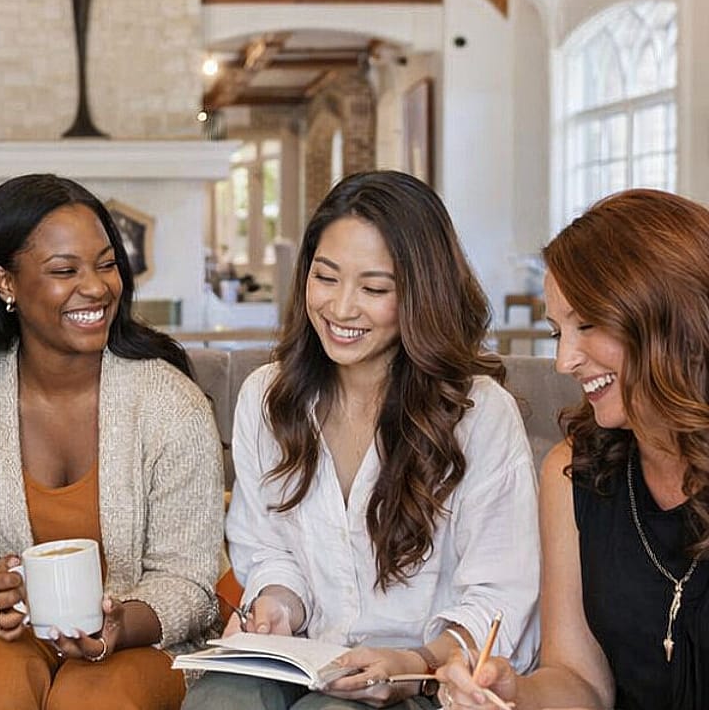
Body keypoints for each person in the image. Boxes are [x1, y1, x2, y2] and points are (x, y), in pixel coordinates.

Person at [183, 170, 539, 710]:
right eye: (325, 278)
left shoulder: (479, 412)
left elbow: (499, 597)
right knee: (218, 702)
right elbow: (267, 548)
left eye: (374, 289)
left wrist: (413, 664)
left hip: (425, 675)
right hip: (304, 658)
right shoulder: (267, 397)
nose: (341, 308)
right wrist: (279, 602)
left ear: (422, 293)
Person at [0, 173, 223, 710]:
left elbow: (190, 583)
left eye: (107, 264)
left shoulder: (170, 404)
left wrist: (117, 626)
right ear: (4, 282)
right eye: (65, 270)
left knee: (91, 699)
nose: (97, 287)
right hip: (6, 637)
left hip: (139, 641)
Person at [439, 189, 709, 710]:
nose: (565, 361)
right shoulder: (572, 472)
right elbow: (579, 680)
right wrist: (515, 692)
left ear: (670, 315)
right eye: (558, 331)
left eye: (587, 325)